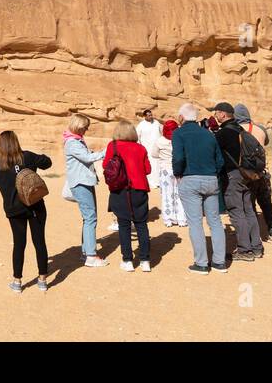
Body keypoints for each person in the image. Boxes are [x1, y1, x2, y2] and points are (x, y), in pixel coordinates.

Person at [171, 102, 228, 273]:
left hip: (190, 178)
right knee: (215, 221)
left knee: (195, 222)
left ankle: (202, 263)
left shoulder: (179, 133)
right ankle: (219, 262)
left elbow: (178, 157)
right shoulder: (209, 134)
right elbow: (220, 160)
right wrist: (212, 173)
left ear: (181, 117)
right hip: (211, 179)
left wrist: (177, 173)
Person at [0, 130, 52, 292]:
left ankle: (17, 282)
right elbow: (47, 163)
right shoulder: (28, 157)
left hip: (14, 210)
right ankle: (42, 280)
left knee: (19, 244)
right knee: (39, 242)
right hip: (35, 207)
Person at [211, 102, 264, 261]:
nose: (215, 116)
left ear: (222, 114)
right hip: (248, 174)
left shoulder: (223, 133)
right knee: (248, 210)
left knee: (236, 211)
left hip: (233, 175)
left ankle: (244, 250)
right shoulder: (240, 129)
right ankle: (256, 247)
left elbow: (215, 153)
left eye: (216, 113)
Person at [104, 119, 153, 271]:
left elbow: (106, 166)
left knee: (124, 225)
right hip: (139, 188)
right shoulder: (140, 148)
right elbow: (148, 169)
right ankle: (145, 261)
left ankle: (128, 260)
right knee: (141, 224)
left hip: (120, 189)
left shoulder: (113, 146)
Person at [63, 114, 109, 266]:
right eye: (85, 127)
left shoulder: (76, 140)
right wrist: (106, 152)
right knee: (90, 218)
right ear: (78, 126)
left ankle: (85, 252)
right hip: (81, 183)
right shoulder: (72, 142)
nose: (87, 129)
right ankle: (90, 255)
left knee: (88, 217)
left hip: (85, 182)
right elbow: (87, 158)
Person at [235, 103, 272, 245]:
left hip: (246, 174)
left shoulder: (236, 131)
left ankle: (253, 237)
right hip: (262, 172)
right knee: (266, 203)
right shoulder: (259, 129)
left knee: (249, 206)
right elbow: (265, 143)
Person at [153, 117, 187, 227]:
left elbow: (154, 154)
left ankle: (168, 219)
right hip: (179, 169)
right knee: (180, 194)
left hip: (165, 170)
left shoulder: (160, 141)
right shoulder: (180, 139)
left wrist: (163, 157)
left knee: (167, 195)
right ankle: (181, 219)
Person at [136, 109, 161, 187]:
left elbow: (161, 132)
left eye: (151, 115)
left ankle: (158, 182)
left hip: (156, 148)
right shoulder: (141, 125)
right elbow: (137, 136)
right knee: (149, 165)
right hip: (146, 148)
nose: (151, 116)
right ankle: (150, 183)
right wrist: (140, 147)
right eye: (149, 115)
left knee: (157, 165)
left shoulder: (156, 123)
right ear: (144, 116)